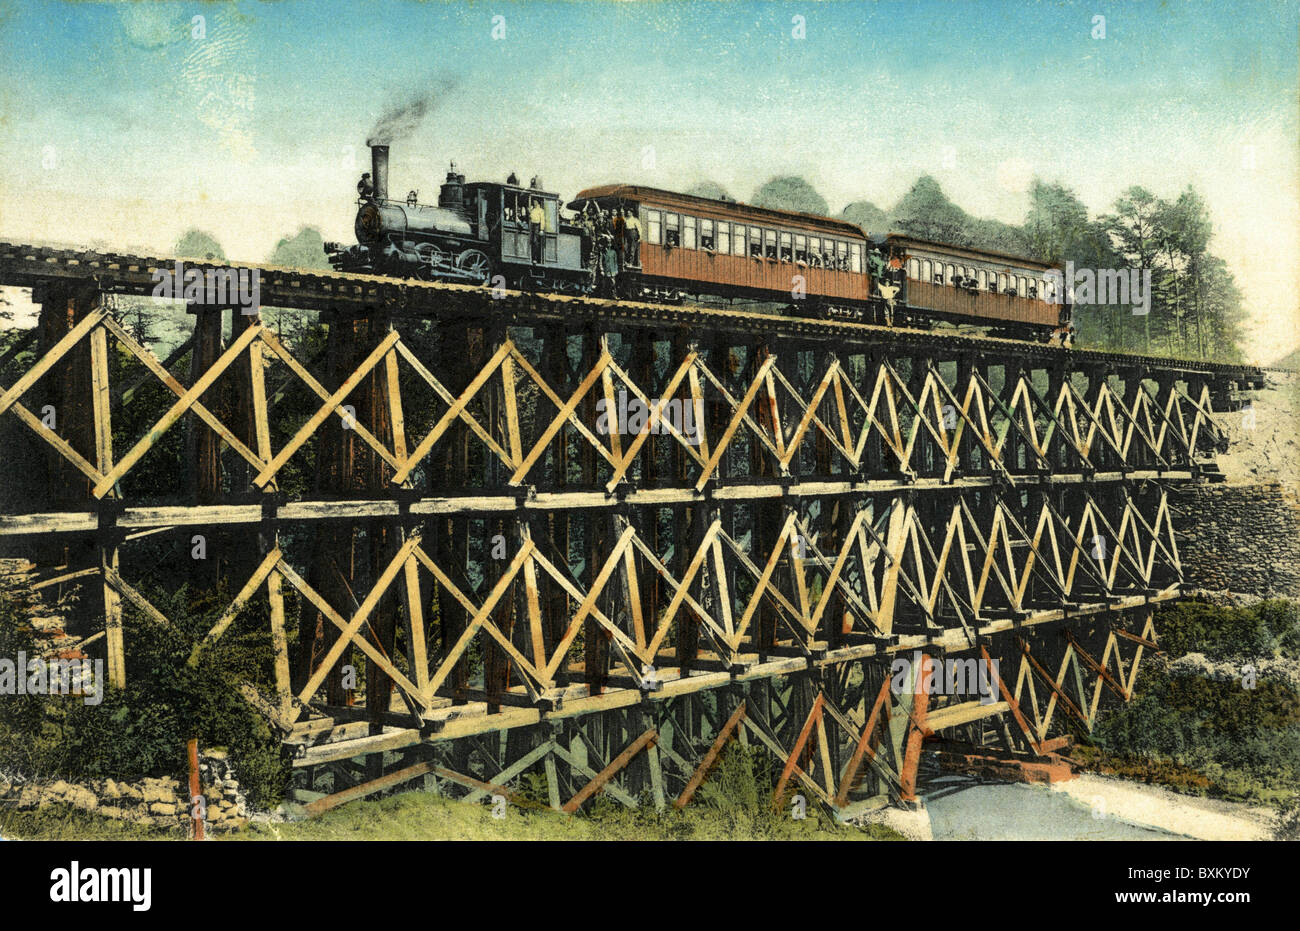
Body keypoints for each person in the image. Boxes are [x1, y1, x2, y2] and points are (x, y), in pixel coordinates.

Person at [528, 198, 546, 264]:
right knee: (531, 241)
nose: (534, 203)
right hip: (532, 225)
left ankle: (535, 258)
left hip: (537, 226)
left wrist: (541, 229)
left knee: (535, 241)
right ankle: (532, 257)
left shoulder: (541, 210)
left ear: (538, 202)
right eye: (533, 201)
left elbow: (542, 220)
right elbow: (530, 217)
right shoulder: (532, 209)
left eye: (535, 201)